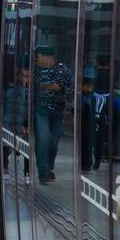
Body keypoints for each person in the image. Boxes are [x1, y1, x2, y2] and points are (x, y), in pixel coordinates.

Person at [33, 46, 72, 182]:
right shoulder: (35, 71)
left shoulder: (63, 69)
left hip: (57, 111)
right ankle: (43, 172)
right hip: (41, 109)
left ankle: (49, 168)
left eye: (38, 57)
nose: (36, 60)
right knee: (43, 139)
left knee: (54, 141)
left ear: (48, 57)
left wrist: (60, 88)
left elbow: (71, 88)